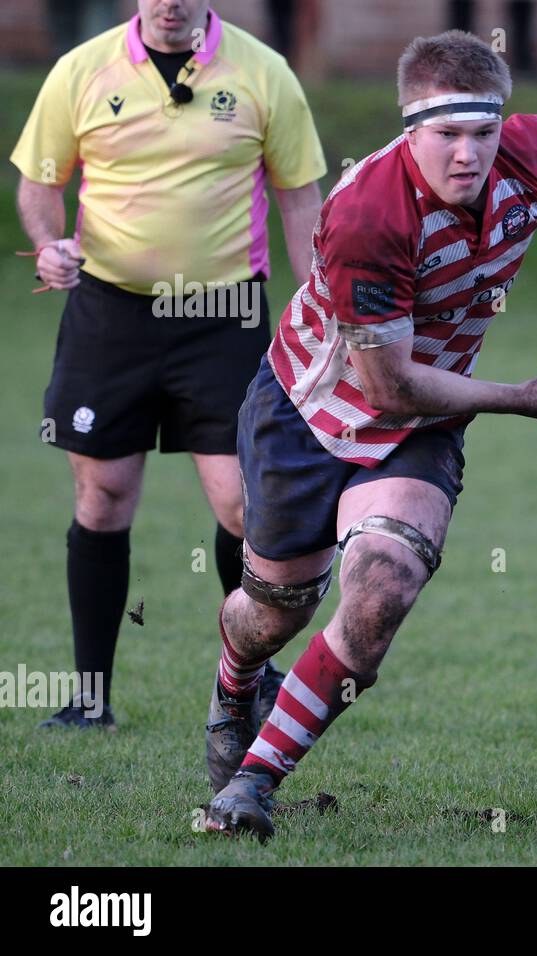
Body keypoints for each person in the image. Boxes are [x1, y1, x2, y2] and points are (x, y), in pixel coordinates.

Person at [202, 30, 537, 840]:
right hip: (309, 415)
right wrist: (524, 398)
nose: (470, 153)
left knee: (382, 586)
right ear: (412, 128)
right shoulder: (370, 214)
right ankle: (236, 682)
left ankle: (253, 783)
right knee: (272, 612)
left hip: (423, 426)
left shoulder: (529, 151)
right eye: (448, 135)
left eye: (483, 132)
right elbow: (391, 387)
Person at [11, 0, 325, 729]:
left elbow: (300, 201)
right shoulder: (80, 71)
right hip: (109, 313)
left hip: (221, 316)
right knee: (103, 497)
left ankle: (250, 673)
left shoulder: (263, 72)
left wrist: (319, 311)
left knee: (245, 506)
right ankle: (91, 699)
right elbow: (40, 181)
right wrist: (49, 243)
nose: (170, 2)